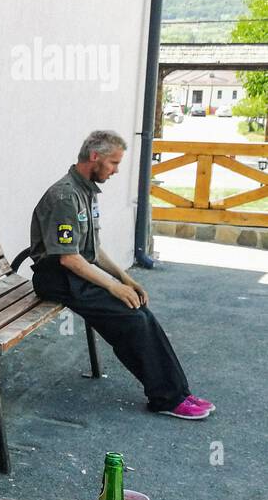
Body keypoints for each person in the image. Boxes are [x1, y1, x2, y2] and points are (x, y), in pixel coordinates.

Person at [28, 130, 214, 419]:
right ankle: (166, 399)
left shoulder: (86, 191)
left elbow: (93, 249)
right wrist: (114, 287)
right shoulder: (65, 196)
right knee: (132, 322)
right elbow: (69, 258)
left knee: (141, 312)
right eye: (113, 162)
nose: (115, 170)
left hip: (75, 273)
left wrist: (126, 280)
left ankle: (179, 392)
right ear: (94, 157)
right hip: (58, 278)